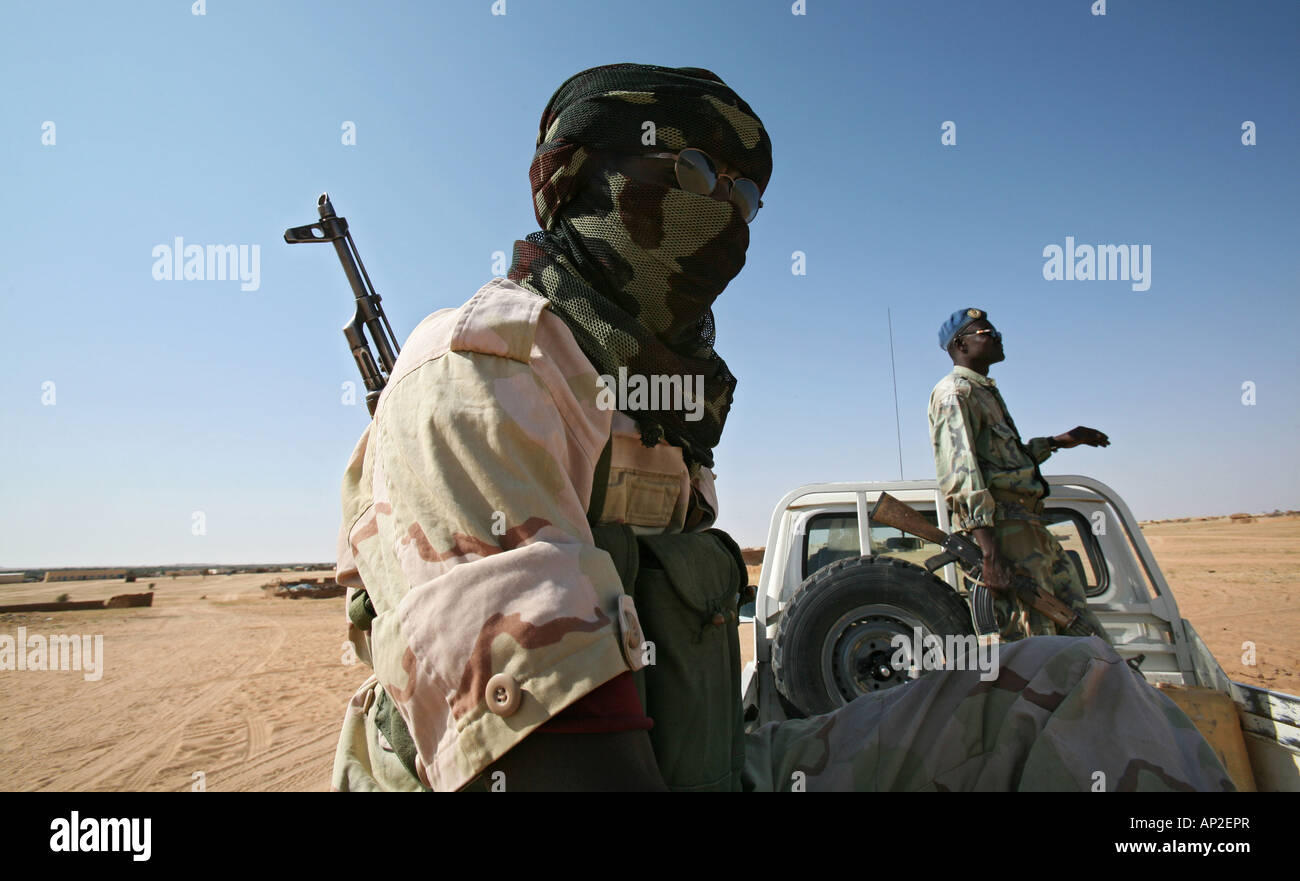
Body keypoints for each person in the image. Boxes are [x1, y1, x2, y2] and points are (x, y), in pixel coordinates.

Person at [328, 66, 1230, 792]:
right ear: (569, 182)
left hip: (711, 764)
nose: (722, 209)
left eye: (743, 192)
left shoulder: (658, 404)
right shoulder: (481, 375)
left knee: (1079, 691)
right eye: (686, 173)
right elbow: (564, 764)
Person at [929, 308, 1112, 643]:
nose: (997, 337)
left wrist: (1061, 441)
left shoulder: (984, 391)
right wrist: (990, 554)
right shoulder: (955, 394)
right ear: (961, 344)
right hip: (1004, 534)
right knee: (1033, 638)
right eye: (986, 333)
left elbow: (1006, 461)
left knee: (1077, 629)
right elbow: (961, 473)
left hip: (1028, 528)